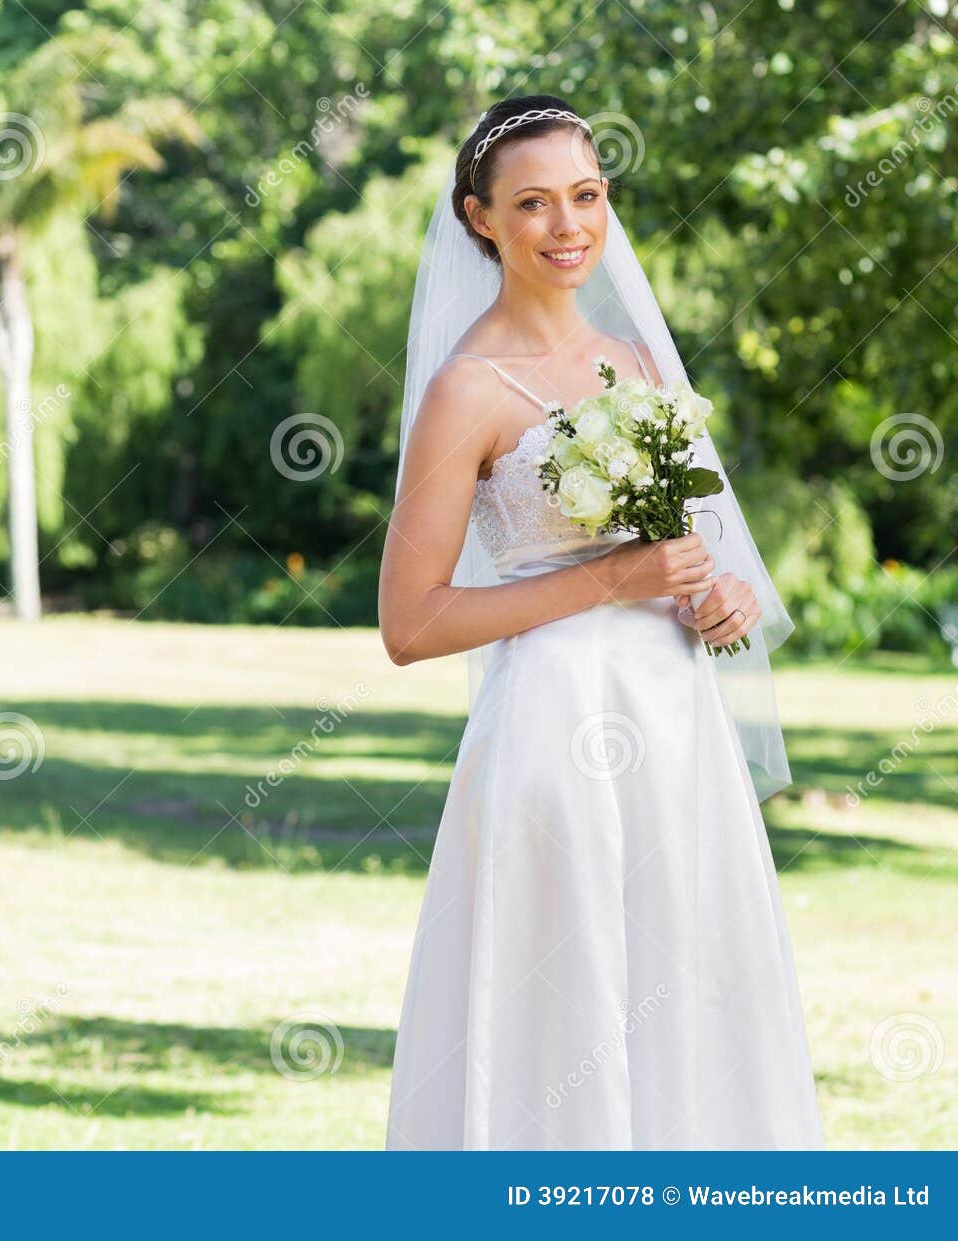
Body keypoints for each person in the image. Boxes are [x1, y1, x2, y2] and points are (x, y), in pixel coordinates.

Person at [378, 95, 824, 1150]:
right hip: (554, 722)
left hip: (674, 717)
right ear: (480, 218)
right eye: (533, 202)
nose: (567, 224)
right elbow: (410, 622)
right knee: (565, 975)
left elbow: (686, 550)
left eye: (585, 195)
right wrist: (609, 580)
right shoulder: (466, 390)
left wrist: (712, 592)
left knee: (689, 970)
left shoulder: (638, 360)